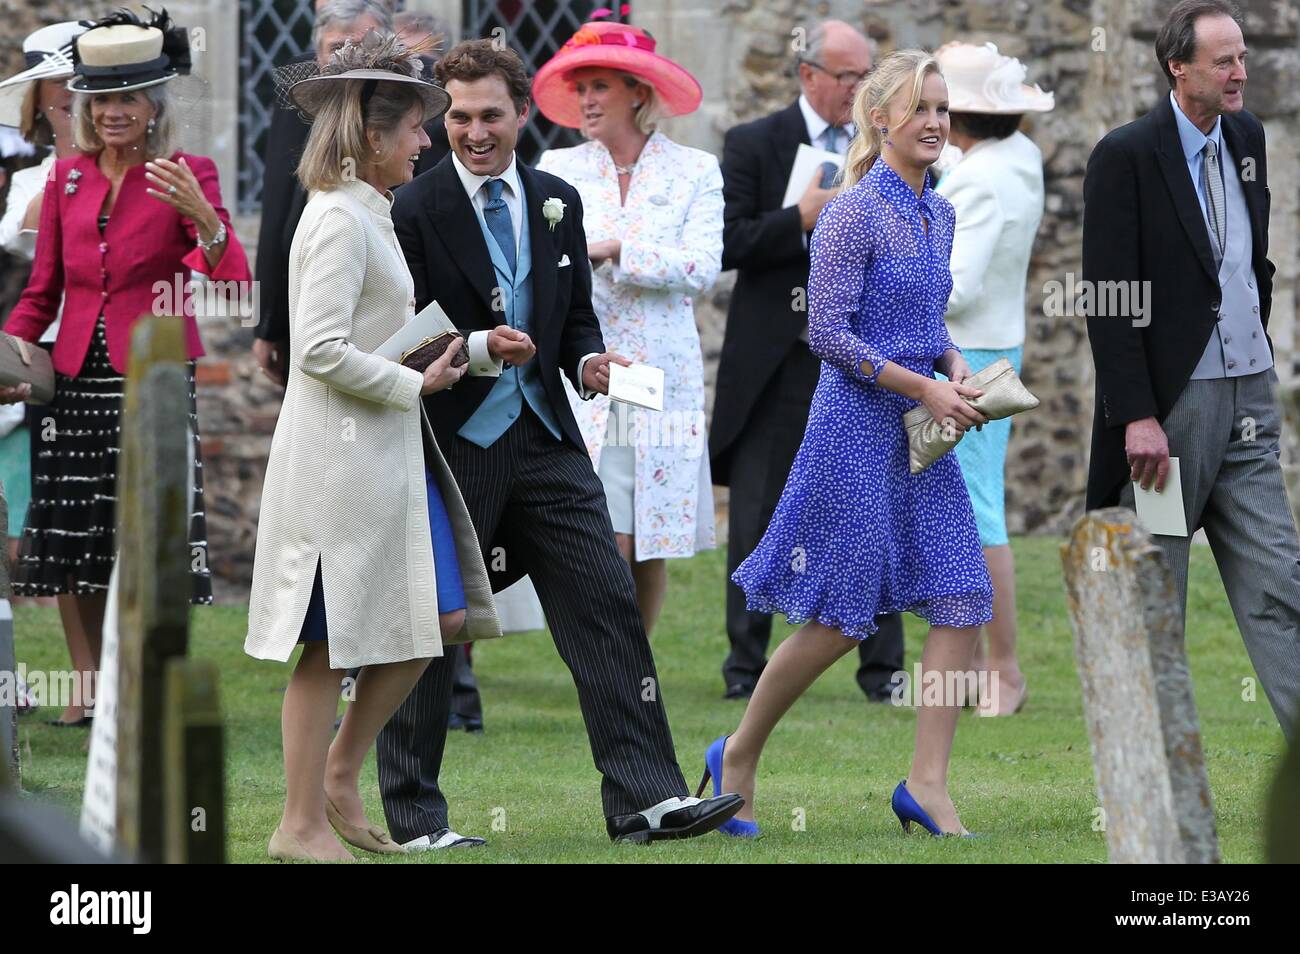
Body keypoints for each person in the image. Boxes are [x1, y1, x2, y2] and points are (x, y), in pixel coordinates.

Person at [377, 39, 743, 847]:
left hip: (548, 436)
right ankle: (412, 821)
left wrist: (589, 359)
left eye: (491, 116)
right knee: (432, 626)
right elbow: (398, 339)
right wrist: (475, 349)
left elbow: (574, 315)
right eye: (461, 117)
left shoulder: (555, 200)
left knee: (607, 604)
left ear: (518, 116)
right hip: (452, 441)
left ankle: (648, 799)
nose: (476, 132)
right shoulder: (413, 209)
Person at [707, 50, 993, 838]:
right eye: (919, 109)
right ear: (880, 121)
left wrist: (955, 365)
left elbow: (928, 323)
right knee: (842, 616)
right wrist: (924, 386)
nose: (935, 122)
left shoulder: (941, 213)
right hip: (855, 433)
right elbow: (828, 333)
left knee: (962, 595)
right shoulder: (851, 212)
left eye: (941, 107)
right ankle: (736, 753)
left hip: (923, 433)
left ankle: (927, 785)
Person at [244, 32, 501, 863]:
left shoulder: (369, 213)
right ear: (373, 135)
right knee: (327, 646)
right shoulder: (336, 220)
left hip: (384, 456)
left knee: (439, 619)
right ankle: (298, 823)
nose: (430, 141)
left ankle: (341, 776)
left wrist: (476, 354)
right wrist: (410, 385)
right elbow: (316, 350)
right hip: (338, 466)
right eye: (417, 127)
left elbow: (380, 337)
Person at [2, 10, 248, 725]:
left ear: (153, 107)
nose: (112, 113)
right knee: (75, 534)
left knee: (146, 538)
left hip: (155, 381)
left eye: (127, 100)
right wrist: (11, 358)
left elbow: (231, 279)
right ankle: (93, 686)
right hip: (75, 378)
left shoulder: (186, 173)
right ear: (83, 108)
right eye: (99, 101)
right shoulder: (68, 178)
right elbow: (41, 290)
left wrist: (204, 217)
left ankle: (142, 681)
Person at [1083, 0, 1300, 737]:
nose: (1241, 72)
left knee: (1280, 581)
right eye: (1225, 61)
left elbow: (1250, 262)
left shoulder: (1247, 135)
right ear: (1179, 67)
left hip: (1249, 398)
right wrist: (1137, 415)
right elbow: (1108, 301)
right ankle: (1154, 779)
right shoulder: (1127, 155)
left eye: (1242, 57)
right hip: (1169, 421)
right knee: (1160, 591)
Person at [710, 20, 906, 703]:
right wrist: (801, 217)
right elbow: (728, 242)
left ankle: (883, 669)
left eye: (866, 77)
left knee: (867, 506)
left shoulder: (884, 146)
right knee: (759, 511)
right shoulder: (752, 143)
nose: (857, 89)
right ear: (807, 75)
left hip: (857, 358)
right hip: (777, 362)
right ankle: (745, 666)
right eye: (847, 77)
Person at [534, 21, 722, 636]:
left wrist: (619, 249)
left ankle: (632, 659)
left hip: (661, 374)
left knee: (649, 535)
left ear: (637, 92)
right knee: (604, 526)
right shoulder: (556, 167)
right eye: (580, 87)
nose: (587, 100)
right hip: (590, 367)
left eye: (601, 86)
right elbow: (536, 260)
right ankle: (607, 655)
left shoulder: (694, 169)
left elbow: (702, 267)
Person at [933, 42, 1053, 716]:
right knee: (970, 507)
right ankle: (977, 666)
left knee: (979, 512)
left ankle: (1003, 672)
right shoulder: (1018, 157)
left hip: (971, 356)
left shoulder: (981, 179)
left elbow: (957, 288)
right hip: (993, 345)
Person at [252, 0, 451, 388]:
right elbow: (276, 211)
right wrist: (269, 322)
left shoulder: (381, 193)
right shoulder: (339, 216)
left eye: (359, 46)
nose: (346, 61)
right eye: (335, 49)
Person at [0, 21, 86, 612]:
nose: (68, 99)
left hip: (96, 358)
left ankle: (106, 688)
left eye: (77, 86)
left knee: (92, 535)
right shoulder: (30, 177)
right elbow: (10, 245)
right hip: (34, 358)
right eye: (55, 88)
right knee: (29, 530)